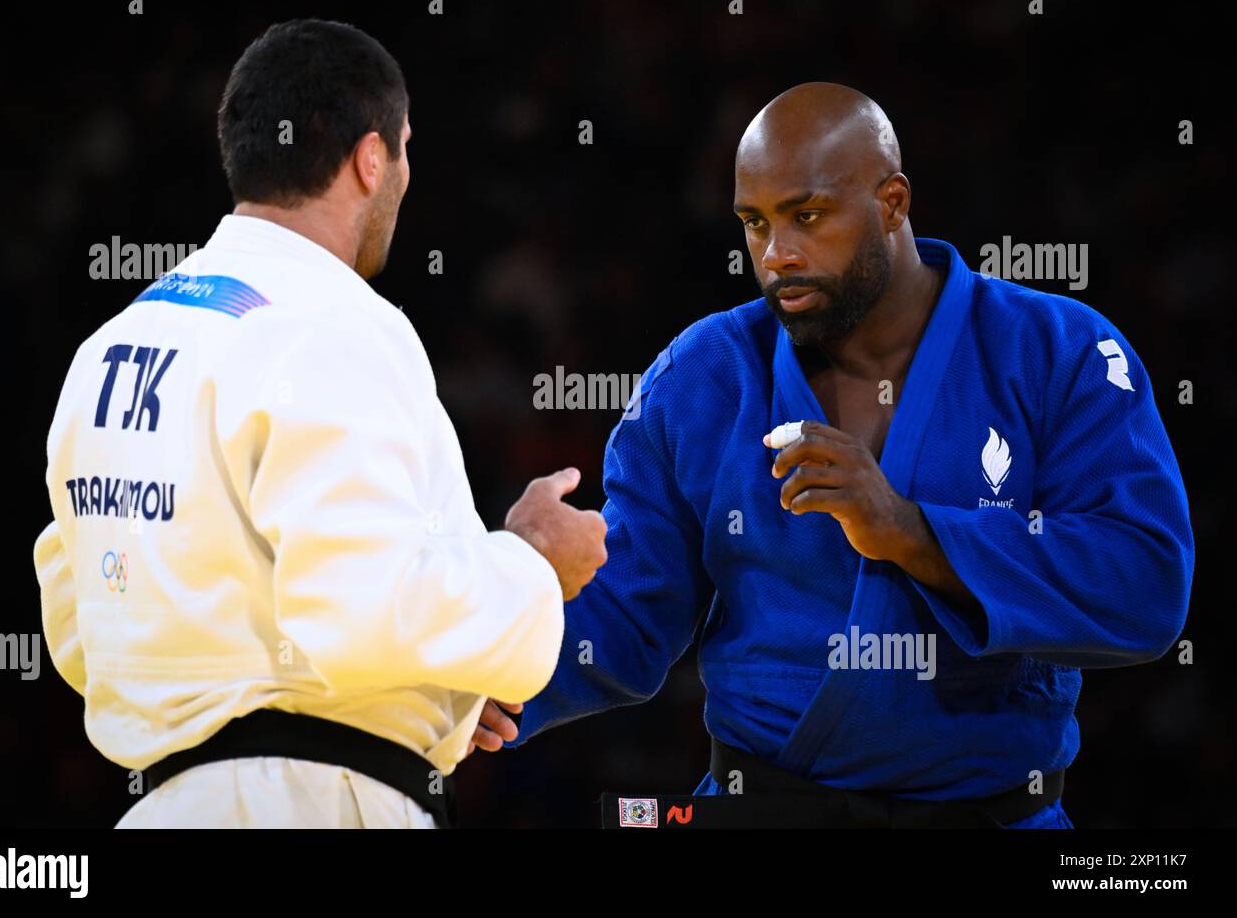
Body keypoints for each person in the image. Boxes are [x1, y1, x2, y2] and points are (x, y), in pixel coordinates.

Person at [475, 82, 1193, 828]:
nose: (776, 255)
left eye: (806, 217)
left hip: (993, 813)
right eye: (754, 224)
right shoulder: (706, 376)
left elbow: (1144, 582)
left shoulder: (1058, 351)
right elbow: (628, 611)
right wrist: (483, 663)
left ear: (892, 202)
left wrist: (913, 533)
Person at [32, 18, 606, 829]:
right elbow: (364, 607)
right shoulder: (333, 321)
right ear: (371, 158)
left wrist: (417, 698)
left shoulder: (111, 345)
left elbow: (84, 621)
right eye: (405, 149)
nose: (405, 176)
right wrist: (533, 562)